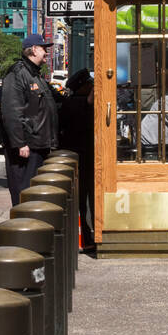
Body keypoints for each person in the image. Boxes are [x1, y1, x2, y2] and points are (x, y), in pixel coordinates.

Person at [0, 34, 58, 205]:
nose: (46, 52)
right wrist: (20, 142)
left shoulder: (35, 75)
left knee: (33, 195)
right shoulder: (17, 73)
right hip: (26, 148)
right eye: (44, 48)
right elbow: (11, 111)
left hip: (38, 145)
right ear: (33, 50)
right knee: (24, 196)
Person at [59, 68, 95, 245]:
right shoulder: (77, 104)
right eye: (89, 83)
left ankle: (86, 236)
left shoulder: (70, 103)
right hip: (81, 157)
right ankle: (85, 237)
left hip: (77, 156)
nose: (91, 86)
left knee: (83, 199)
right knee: (84, 199)